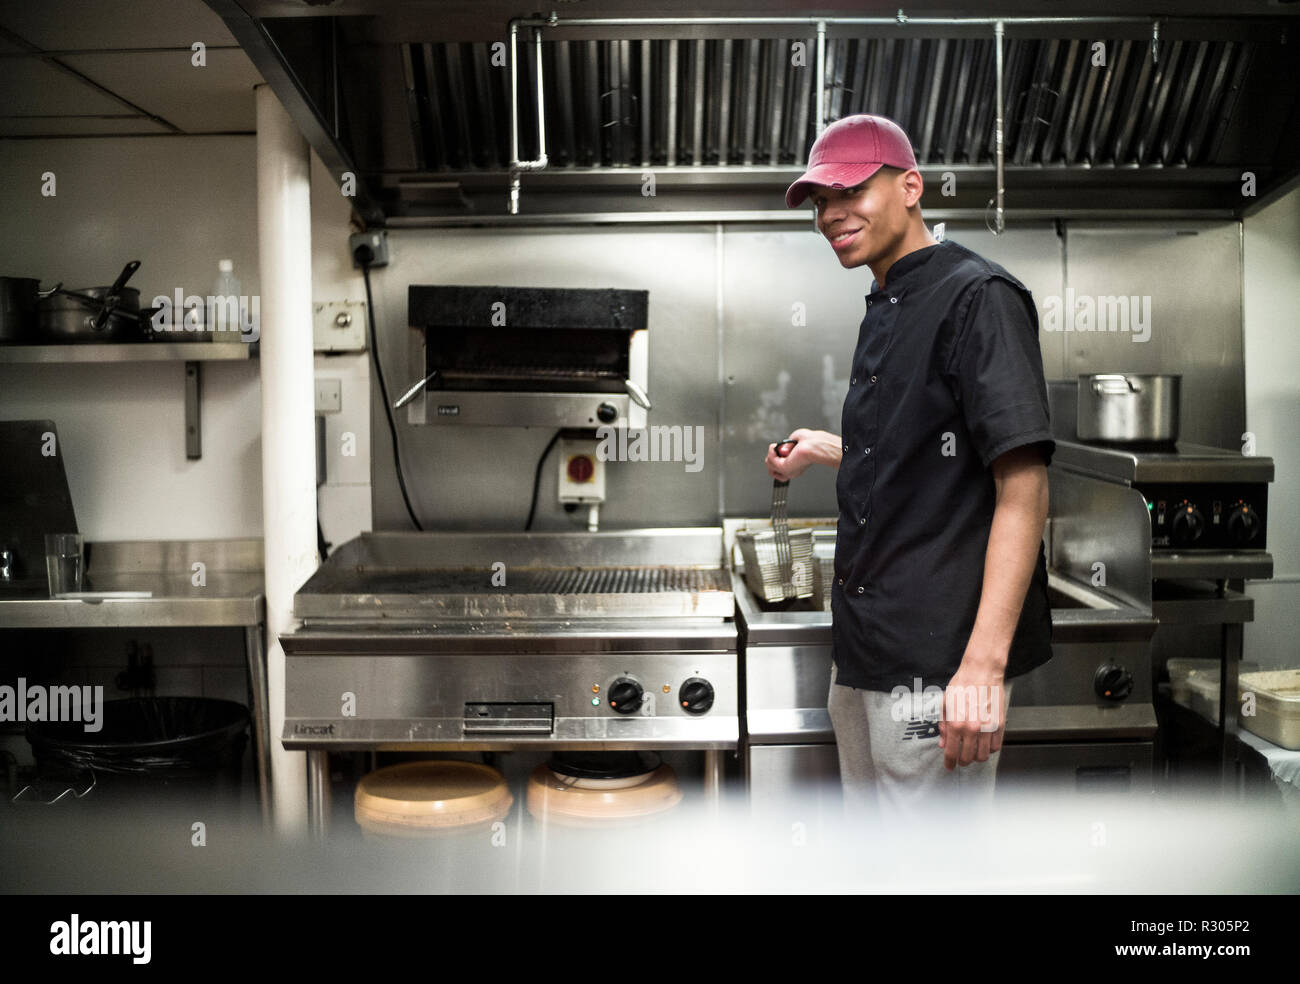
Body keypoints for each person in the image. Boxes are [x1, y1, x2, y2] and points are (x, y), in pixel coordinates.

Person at [767, 114, 1055, 821]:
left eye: (851, 192)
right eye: (819, 203)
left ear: (911, 186)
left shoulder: (976, 296)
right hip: (866, 646)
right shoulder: (890, 296)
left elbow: (1023, 487)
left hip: (938, 661)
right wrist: (827, 449)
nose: (831, 215)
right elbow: (927, 448)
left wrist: (983, 670)